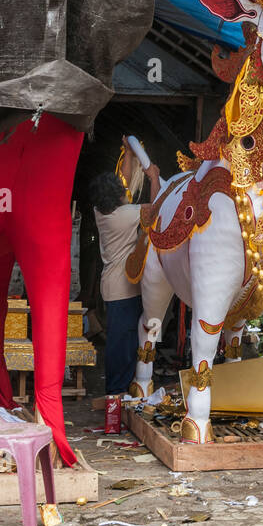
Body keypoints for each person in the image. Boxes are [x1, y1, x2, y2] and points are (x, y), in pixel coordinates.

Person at [91, 155, 160, 396]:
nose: (125, 191)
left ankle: (120, 387)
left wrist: (129, 154)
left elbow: (125, 185)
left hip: (112, 286)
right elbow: (157, 210)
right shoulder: (126, 215)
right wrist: (153, 178)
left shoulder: (101, 211)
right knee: (123, 343)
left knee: (122, 339)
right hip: (123, 289)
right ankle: (116, 391)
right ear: (117, 196)